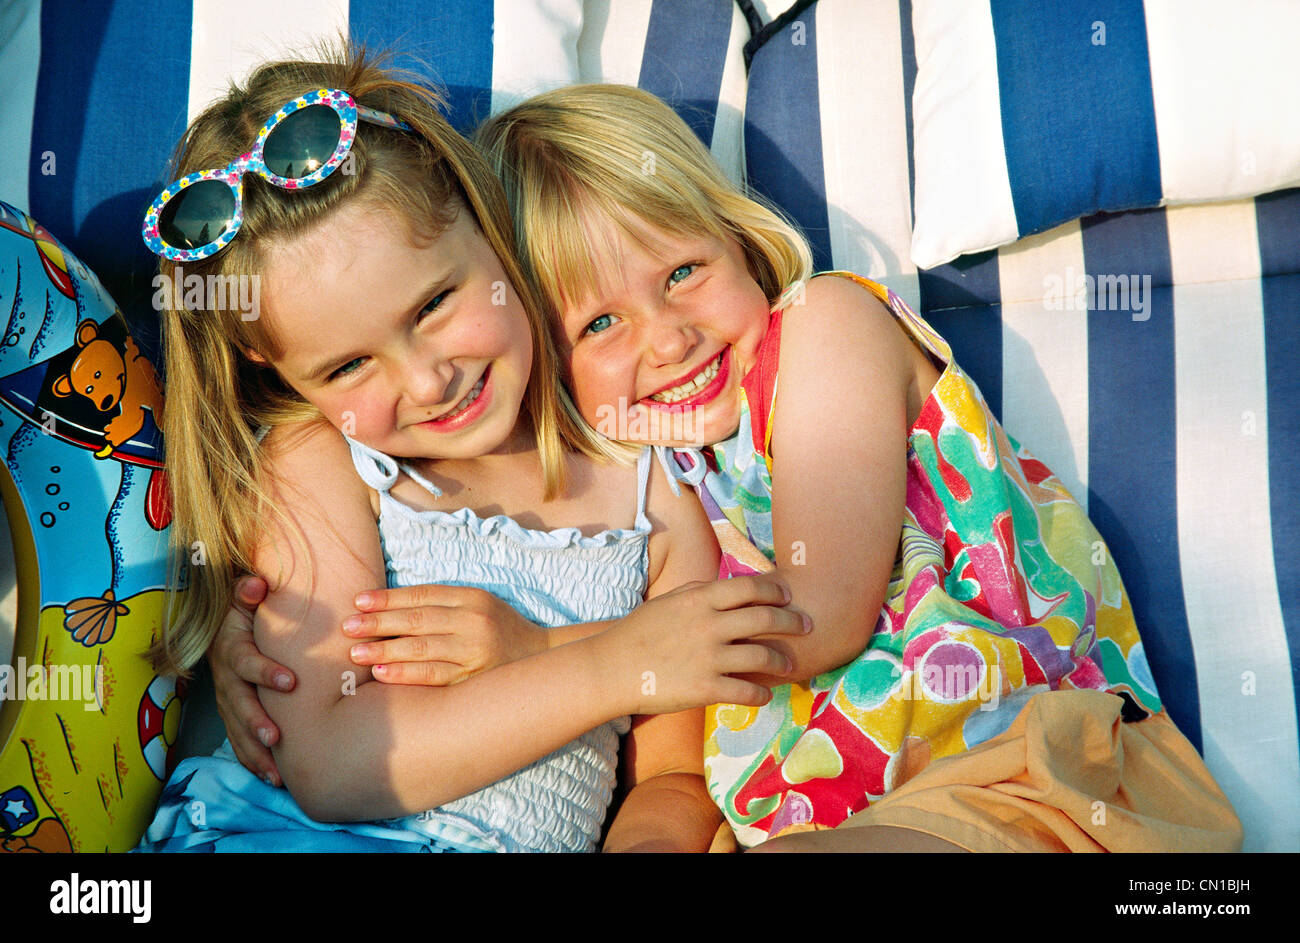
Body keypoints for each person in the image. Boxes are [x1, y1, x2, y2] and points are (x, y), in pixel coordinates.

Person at [215, 82, 1243, 852]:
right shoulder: (665, 480)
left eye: (681, 273)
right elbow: (668, 761)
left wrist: (544, 649)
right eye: (601, 320)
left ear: (740, 243)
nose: (665, 339)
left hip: (1019, 767)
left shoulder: (825, 330)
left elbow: (822, 610)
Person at [135, 49, 808, 853]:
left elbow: (671, 777)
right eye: (347, 366)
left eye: (434, 304)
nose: (427, 380)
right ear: (275, 370)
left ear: (483, 221)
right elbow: (335, 762)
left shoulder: (652, 492)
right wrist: (616, 665)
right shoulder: (326, 461)